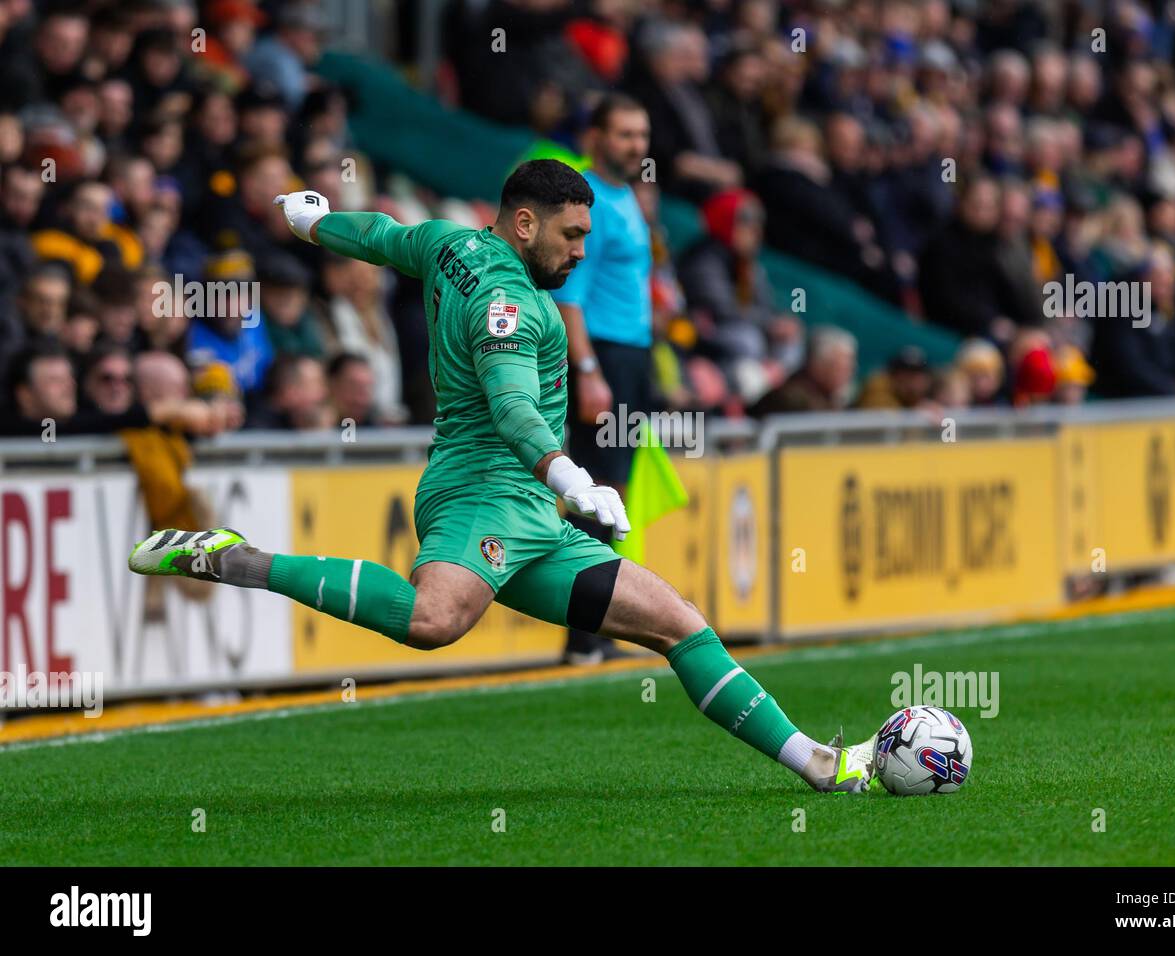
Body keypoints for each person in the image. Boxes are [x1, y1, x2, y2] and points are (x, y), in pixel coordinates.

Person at [128, 160, 877, 794]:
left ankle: (818, 764)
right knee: (432, 621)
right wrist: (571, 476)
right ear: (524, 223)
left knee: (678, 624)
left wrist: (313, 223)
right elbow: (513, 404)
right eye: (571, 234)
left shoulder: (449, 243)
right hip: (485, 490)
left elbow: (384, 237)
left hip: (531, 515)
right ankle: (238, 557)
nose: (581, 252)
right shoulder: (511, 304)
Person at [550, 94, 654, 666]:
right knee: (593, 497)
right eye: (624, 135)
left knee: (611, 497)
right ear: (595, 136)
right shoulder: (586, 200)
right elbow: (570, 297)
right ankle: (580, 639)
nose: (636, 146)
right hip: (604, 358)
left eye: (642, 135)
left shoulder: (626, 198)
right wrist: (587, 370)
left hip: (630, 358)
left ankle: (596, 631)